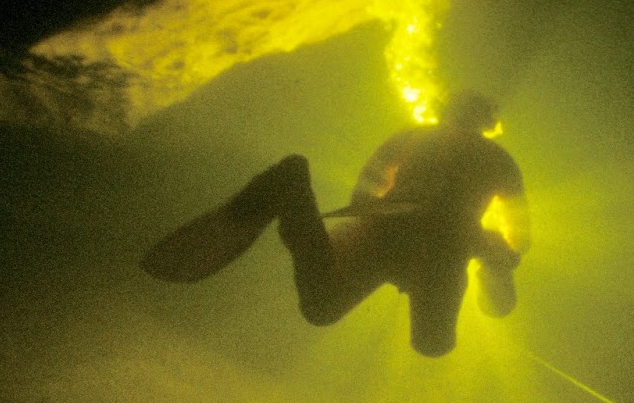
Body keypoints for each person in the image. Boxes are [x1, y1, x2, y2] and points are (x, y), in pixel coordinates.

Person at [141, 91, 528, 357]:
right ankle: (292, 190)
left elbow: (363, 194)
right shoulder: (501, 160)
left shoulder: (412, 136)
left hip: (390, 225)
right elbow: (521, 237)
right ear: (486, 120)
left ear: (446, 109)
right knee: (432, 345)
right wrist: (492, 253)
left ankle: (292, 188)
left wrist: (375, 224)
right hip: (444, 248)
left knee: (323, 306)